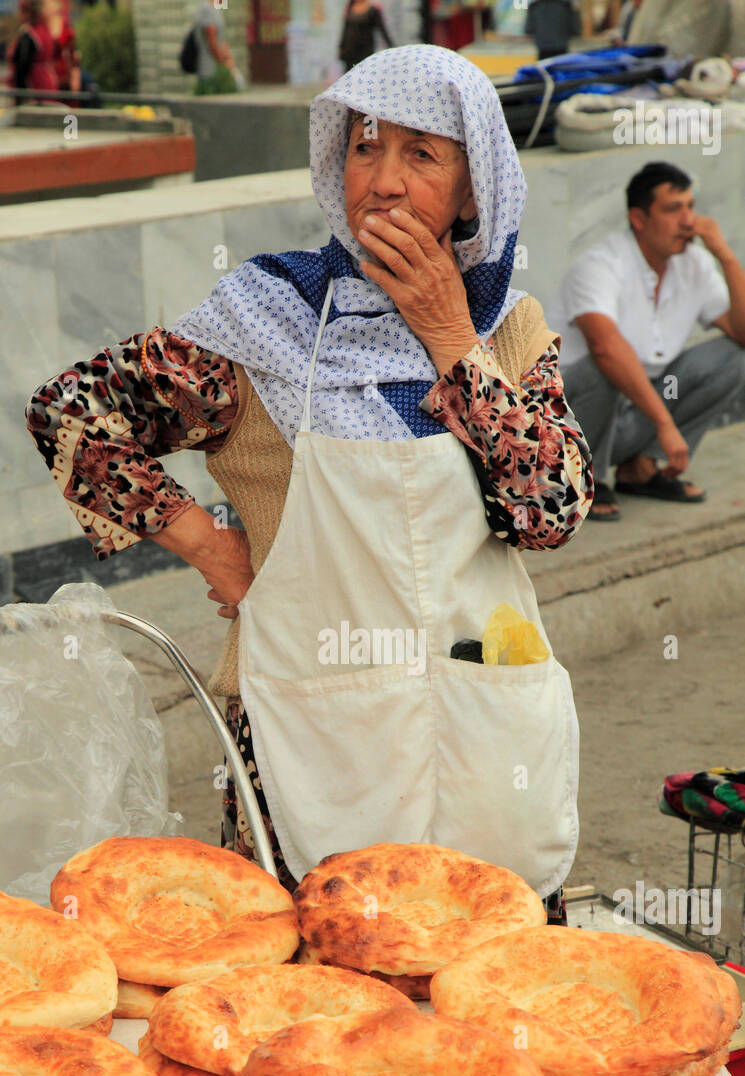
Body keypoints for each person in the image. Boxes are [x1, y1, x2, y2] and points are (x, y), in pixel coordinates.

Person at [26, 45, 593, 922]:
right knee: (314, 1003)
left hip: (481, 732)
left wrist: (448, 334)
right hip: (307, 733)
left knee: (483, 992)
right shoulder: (264, 320)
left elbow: (547, 511)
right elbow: (71, 414)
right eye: (364, 147)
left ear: (475, 187)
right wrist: (206, 543)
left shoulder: (507, 334)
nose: (386, 181)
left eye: (421, 153)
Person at [550, 162, 745, 519]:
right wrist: (665, 425)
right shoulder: (599, 265)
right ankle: (579, 479)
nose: (689, 221)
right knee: (604, 365)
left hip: (631, 416)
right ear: (638, 219)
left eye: (690, 206)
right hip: (566, 425)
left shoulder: (695, 263)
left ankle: (640, 468)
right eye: (673, 209)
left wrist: (727, 257)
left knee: (735, 357)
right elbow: (605, 349)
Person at [7, 0, 59, 99]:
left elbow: (23, 66)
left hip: (34, 85)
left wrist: (20, 96)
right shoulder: (44, 30)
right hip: (49, 82)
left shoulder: (30, 35)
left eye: (22, 11)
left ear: (29, 13)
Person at [192, 0, 243, 94]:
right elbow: (212, 41)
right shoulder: (207, 9)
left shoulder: (215, 8)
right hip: (210, 68)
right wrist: (224, 62)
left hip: (217, 67)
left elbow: (220, 39)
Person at [338, 0, 393, 72]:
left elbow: (382, 30)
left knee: (363, 73)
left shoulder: (373, 10)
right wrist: (341, 47)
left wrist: (391, 47)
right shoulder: (350, 7)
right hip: (350, 51)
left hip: (365, 51)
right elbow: (345, 30)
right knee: (350, 75)